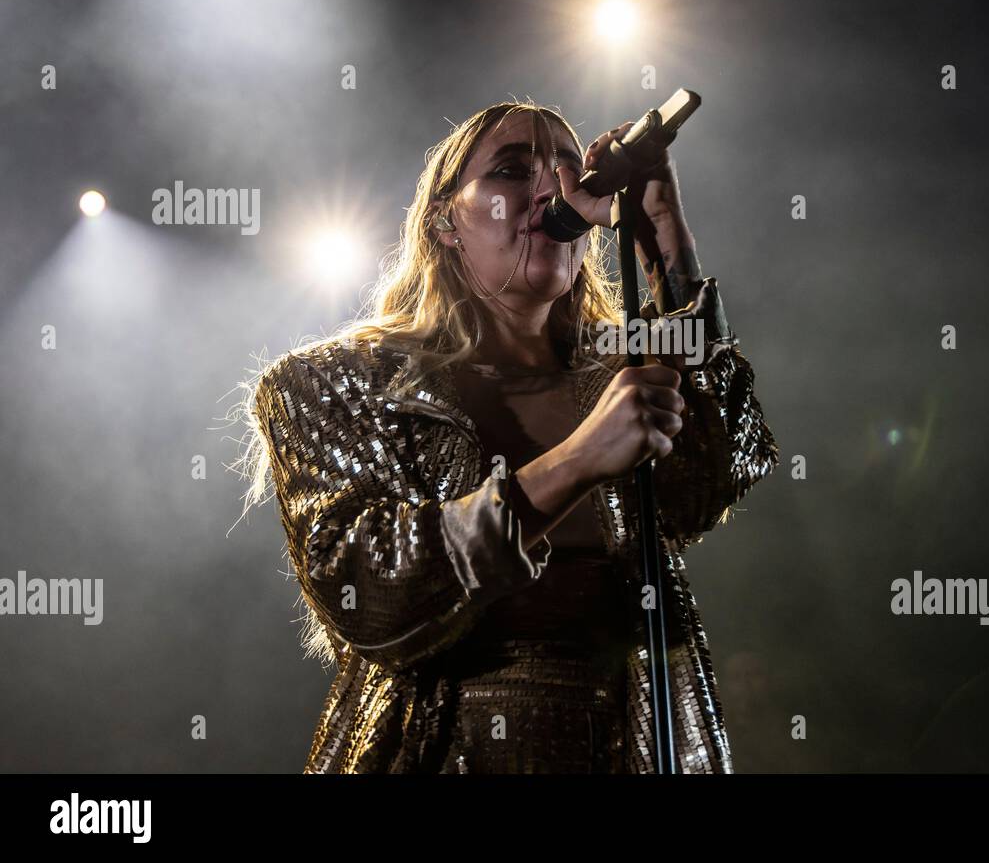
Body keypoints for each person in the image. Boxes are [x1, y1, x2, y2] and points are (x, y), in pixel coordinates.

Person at [237, 99, 779, 772]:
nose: (554, 189)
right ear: (443, 220)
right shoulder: (333, 384)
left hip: (633, 748)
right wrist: (577, 462)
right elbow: (368, 593)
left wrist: (666, 239)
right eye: (512, 171)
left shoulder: (626, 370)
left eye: (568, 171)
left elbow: (722, 473)